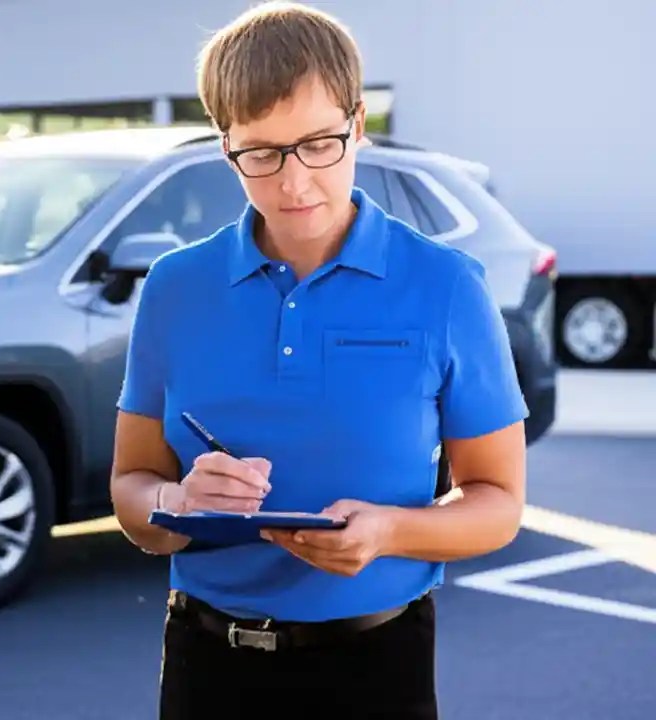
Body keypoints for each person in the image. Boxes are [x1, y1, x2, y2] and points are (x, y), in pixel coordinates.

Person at [108, 3, 528, 718]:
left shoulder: (446, 286)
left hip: (374, 670)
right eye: (261, 153)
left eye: (319, 144)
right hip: (207, 667)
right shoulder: (176, 288)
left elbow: (498, 503)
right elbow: (131, 489)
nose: (293, 182)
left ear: (359, 124)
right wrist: (175, 503)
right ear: (224, 147)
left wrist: (392, 530)